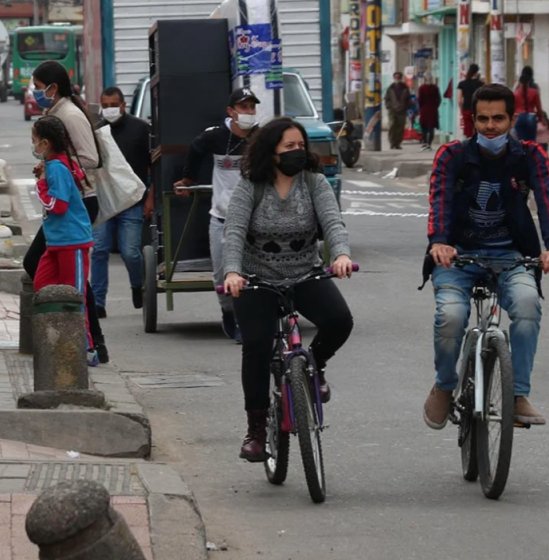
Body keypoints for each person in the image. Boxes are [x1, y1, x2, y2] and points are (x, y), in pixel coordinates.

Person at [422, 84, 549, 429]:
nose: (490, 126)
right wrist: (439, 241)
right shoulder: (451, 155)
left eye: (498, 119)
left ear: (512, 119)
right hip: (456, 257)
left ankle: (518, 396)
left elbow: (546, 200)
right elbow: (439, 199)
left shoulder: (530, 156)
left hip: (512, 256)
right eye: (482, 119)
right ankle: (444, 386)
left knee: (528, 305)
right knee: (452, 317)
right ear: (472, 120)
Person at [221, 116, 354, 461]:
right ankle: (255, 429)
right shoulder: (251, 186)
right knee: (256, 346)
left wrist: (340, 254)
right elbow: (233, 232)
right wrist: (233, 272)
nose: (297, 152)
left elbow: (333, 223)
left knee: (340, 320)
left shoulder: (314, 183)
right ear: (271, 152)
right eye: (288, 147)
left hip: (304, 274)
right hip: (255, 279)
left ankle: (317, 366)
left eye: (300, 146)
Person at [23, 61, 107, 362]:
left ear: (52, 86)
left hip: (78, 201)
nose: (35, 91)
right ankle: (80, 338)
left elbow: (90, 158)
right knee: (59, 276)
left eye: (37, 84)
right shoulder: (56, 113)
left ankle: (87, 341)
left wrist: (58, 173)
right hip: (66, 199)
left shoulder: (70, 114)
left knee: (64, 277)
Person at [176, 88, 260, 342]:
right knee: (222, 273)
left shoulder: (260, 137)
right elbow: (195, 150)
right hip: (222, 217)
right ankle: (228, 313)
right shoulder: (215, 136)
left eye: (251, 108)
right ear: (231, 112)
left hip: (253, 219)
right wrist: (187, 180)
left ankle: (249, 321)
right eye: (243, 108)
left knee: (252, 272)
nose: (248, 112)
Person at [30, 115, 99, 363]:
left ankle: (86, 348)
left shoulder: (58, 167)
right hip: (56, 242)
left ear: (45, 144)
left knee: (74, 296)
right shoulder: (58, 164)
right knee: (42, 285)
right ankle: (59, 337)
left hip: (72, 241)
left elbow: (57, 205)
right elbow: (76, 176)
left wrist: (41, 185)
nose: (33, 146)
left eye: (35, 141)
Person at [93, 87, 150, 315]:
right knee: (99, 250)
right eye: (105, 106)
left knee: (130, 252)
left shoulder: (141, 129)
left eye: (113, 105)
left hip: (132, 202)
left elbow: (152, 166)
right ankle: (98, 302)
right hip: (103, 202)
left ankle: (137, 285)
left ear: (123, 105)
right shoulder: (94, 131)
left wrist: (150, 199)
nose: (110, 110)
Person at [513, 66, 548, 143]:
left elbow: (513, 106)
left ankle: (523, 153)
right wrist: (541, 119)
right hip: (531, 116)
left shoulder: (515, 92)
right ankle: (531, 154)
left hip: (519, 117)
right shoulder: (534, 91)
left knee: (521, 141)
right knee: (532, 141)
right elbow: (538, 107)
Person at [383, 72, 411, 150]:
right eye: (396, 77)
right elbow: (387, 98)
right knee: (392, 125)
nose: (397, 79)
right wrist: (389, 106)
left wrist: (407, 106)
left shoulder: (405, 88)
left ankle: (398, 143)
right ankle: (392, 142)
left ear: (401, 78)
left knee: (400, 127)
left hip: (402, 110)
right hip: (392, 110)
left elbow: (408, 98)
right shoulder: (390, 88)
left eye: (398, 77)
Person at [457, 64, 483, 139]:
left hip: (467, 109)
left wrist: (461, 109)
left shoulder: (462, 84)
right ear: (477, 72)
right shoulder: (481, 84)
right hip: (479, 110)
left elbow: (459, 100)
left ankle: (469, 147)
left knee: (468, 132)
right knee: (478, 130)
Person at [416, 75, 441, 151]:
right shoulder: (435, 88)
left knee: (424, 128)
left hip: (424, 110)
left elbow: (420, 100)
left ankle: (425, 143)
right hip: (433, 110)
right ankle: (429, 144)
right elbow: (439, 99)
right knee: (431, 128)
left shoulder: (422, 88)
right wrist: (435, 106)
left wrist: (420, 109)